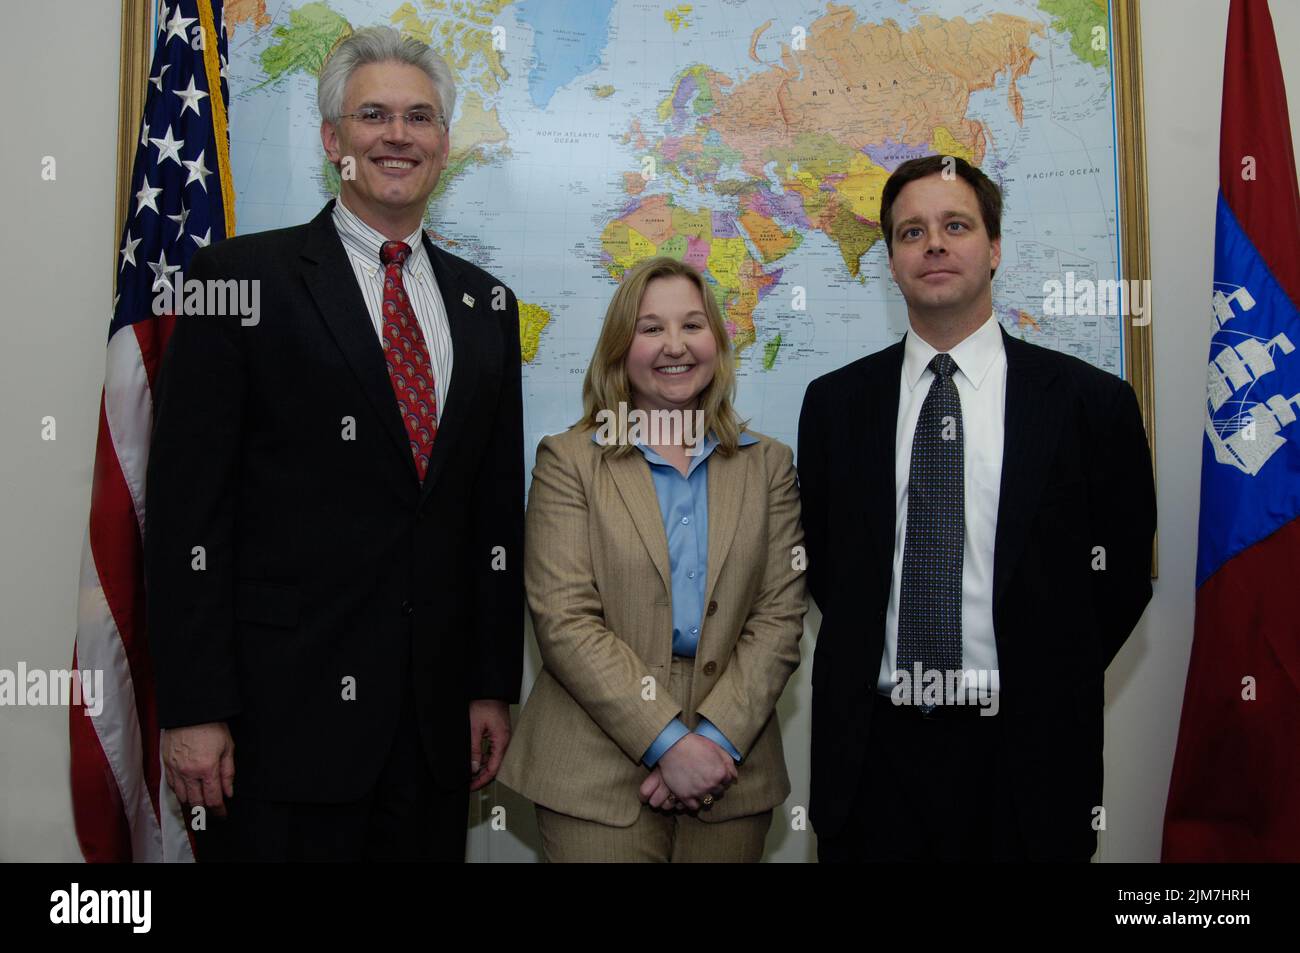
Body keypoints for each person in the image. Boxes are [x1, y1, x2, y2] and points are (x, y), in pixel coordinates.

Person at [144, 26, 524, 862]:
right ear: (332, 140)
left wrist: (492, 685)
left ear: (445, 144)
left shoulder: (487, 307)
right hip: (276, 732)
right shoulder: (236, 282)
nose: (398, 135)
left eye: (420, 117)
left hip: (429, 738)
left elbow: (493, 519)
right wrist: (194, 706)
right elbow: (186, 514)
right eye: (374, 115)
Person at [798, 154, 1156, 862]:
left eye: (955, 225)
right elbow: (832, 571)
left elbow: (1117, 584)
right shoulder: (836, 405)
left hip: (1029, 760)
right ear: (892, 263)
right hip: (874, 762)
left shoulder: (1091, 404)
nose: (933, 243)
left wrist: (1043, 676)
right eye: (910, 232)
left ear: (993, 249)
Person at [498, 256, 806, 862]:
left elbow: (779, 618)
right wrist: (669, 744)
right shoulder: (568, 461)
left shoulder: (768, 464)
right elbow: (565, 620)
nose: (675, 346)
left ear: (716, 341)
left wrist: (710, 745)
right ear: (621, 346)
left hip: (732, 760)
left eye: (693, 326)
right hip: (593, 760)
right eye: (651, 328)